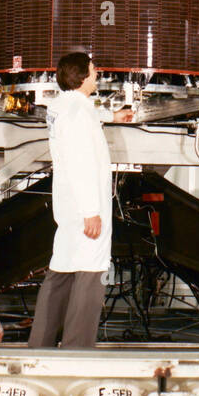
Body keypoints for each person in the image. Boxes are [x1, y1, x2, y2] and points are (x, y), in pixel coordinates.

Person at [28, 52, 133, 348]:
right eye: (93, 70)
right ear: (83, 76)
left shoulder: (63, 106)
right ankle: (77, 349)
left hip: (68, 206)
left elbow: (85, 114)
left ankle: (41, 345)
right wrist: (91, 212)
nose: (97, 73)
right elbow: (81, 162)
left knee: (61, 269)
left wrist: (112, 116)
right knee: (91, 273)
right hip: (85, 206)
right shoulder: (77, 114)